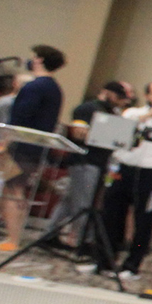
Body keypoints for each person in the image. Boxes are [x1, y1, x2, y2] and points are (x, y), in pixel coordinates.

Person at [95, 82, 152, 280]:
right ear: (147, 96)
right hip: (124, 168)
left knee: (144, 221)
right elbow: (119, 133)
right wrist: (149, 115)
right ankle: (105, 260)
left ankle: (132, 264)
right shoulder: (132, 114)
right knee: (112, 214)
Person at [0, 45, 65, 252]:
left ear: (39, 60)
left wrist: (5, 143)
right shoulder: (55, 88)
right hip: (36, 147)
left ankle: (12, 239)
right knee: (16, 190)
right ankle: (7, 234)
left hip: (22, 146)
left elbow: (20, 119)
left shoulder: (34, 87)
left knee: (13, 191)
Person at [50, 81, 131, 250]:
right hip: (85, 161)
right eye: (119, 97)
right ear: (109, 94)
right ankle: (84, 240)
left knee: (70, 199)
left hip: (97, 161)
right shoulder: (88, 109)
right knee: (83, 203)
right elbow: (79, 133)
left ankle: (51, 232)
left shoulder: (110, 112)